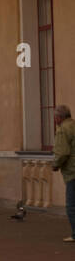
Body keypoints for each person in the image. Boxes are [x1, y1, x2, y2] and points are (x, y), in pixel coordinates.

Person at [53, 104, 75, 244]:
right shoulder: (73, 125)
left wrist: (55, 165)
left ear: (59, 117)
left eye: (55, 117)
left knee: (71, 205)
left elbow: (62, 152)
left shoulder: (62, 130)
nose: (54, 120)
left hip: (72, 171)